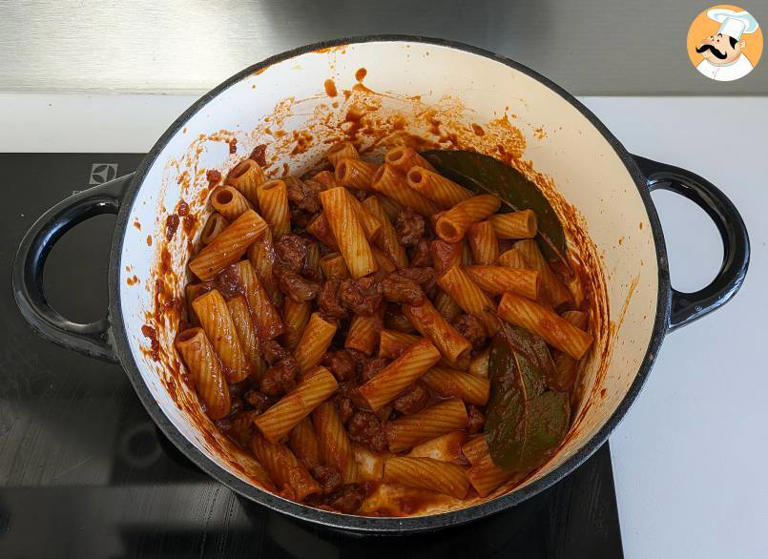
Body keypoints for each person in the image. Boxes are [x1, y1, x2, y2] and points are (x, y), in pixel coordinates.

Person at [695, 9, 759, 82]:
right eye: (712, 38)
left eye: (718, 41)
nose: (711, 42)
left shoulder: (743, 69)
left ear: (740, 45)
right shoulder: (705, 64)